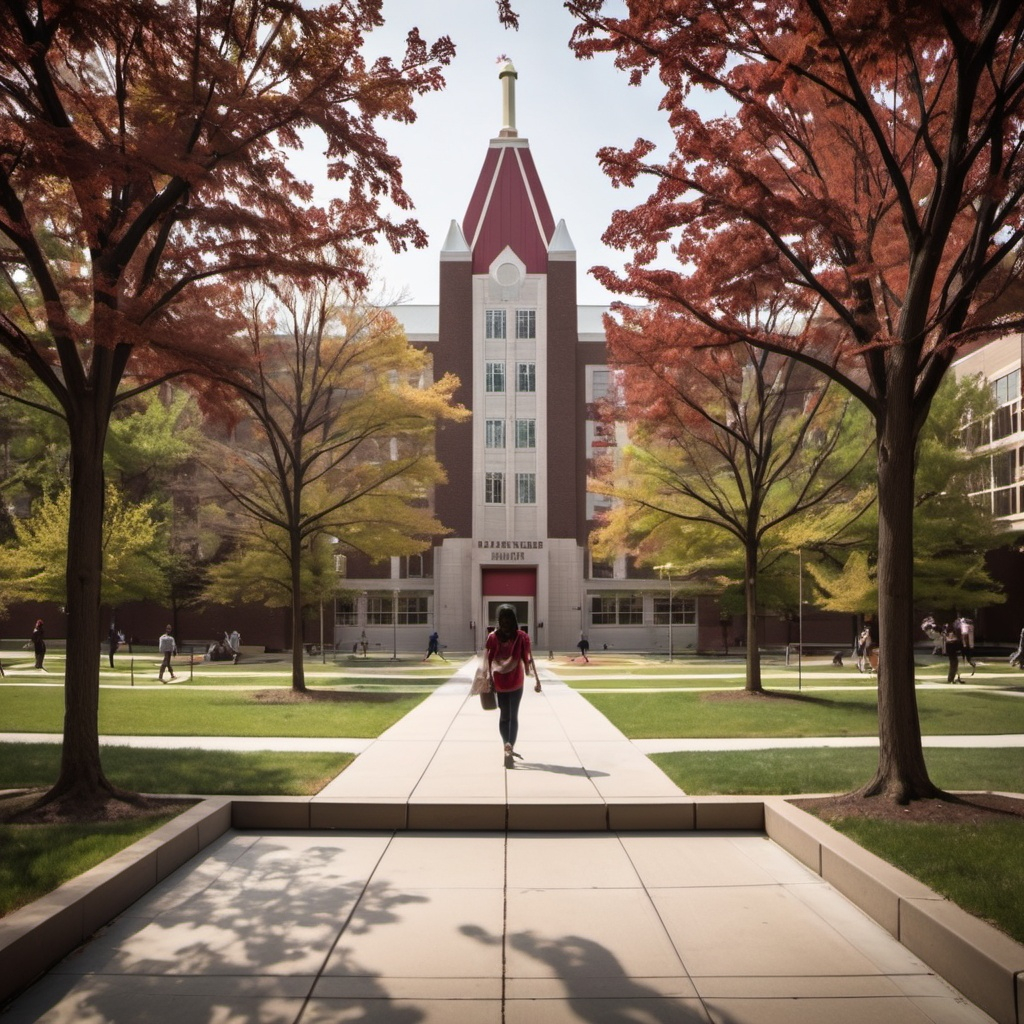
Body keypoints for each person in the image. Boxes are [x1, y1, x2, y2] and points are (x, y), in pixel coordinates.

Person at [484, 605, 542, 768]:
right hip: (516, 680)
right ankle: (510, 746)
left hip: (500, 681)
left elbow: (488, 660)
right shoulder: (522, 637)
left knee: (504, 716)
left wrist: (489, 679)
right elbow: (527, 658)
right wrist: (535, 678)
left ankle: (506, 745)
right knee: (514, 716)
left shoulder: (492, 637)